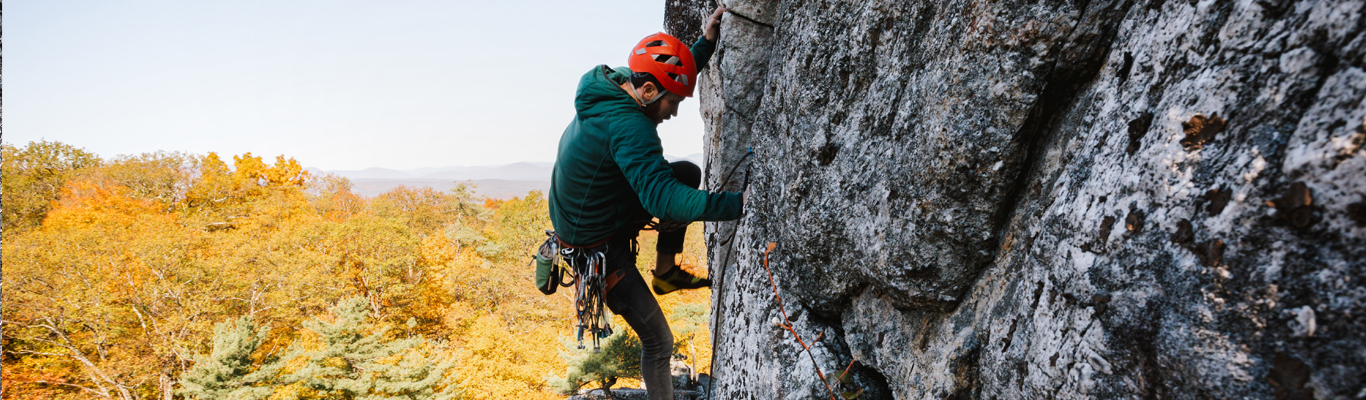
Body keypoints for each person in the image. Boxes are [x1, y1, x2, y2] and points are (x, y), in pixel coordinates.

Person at [548, 7, 736, 400]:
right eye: (673, 103)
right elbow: (664, 201)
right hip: (599, 251)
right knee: (658, 342)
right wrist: (740, 204)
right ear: (648, 92)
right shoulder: (629, 127)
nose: (674, 112)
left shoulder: (614, 84)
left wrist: (703, 45)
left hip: (600, 218)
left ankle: (666, 272)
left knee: (684, 173)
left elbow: (666, 78)